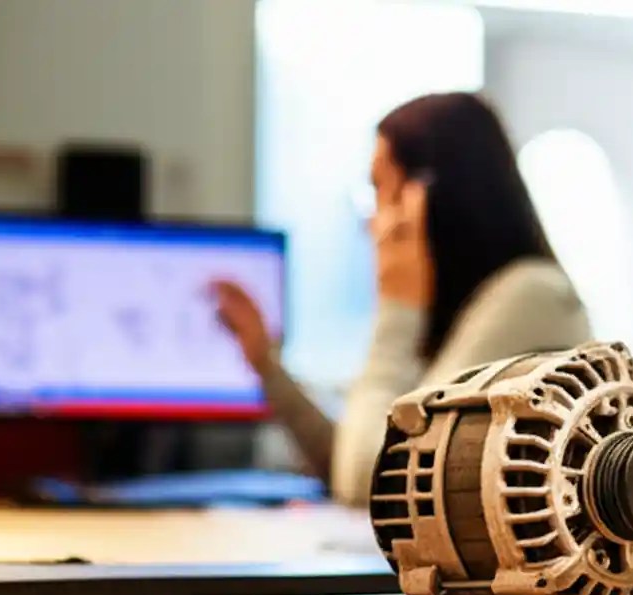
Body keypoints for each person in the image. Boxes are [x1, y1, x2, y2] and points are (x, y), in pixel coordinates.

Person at [213, 92, 593, 507]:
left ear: (429, 202)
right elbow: (352, 458)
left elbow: (369, 481)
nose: (374, 223)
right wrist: (266, 366)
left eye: (381, 191)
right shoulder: (468, 308)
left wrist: (396, 306)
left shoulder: (531, 295)